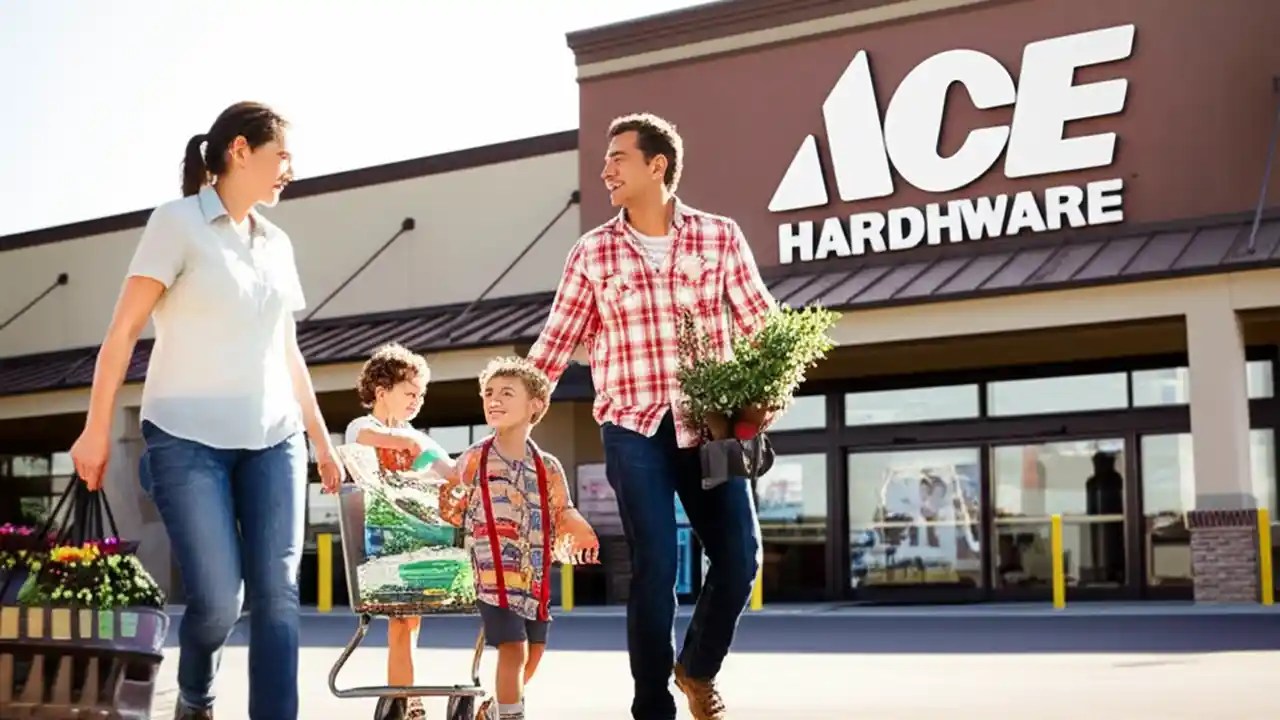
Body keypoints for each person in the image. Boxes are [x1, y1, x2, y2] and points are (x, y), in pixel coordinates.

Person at [67, 101, 343, 720]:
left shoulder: (276, 243)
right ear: (240, 151)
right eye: (282, 157)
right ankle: (196, 697)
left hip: (274, 438)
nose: (289, 172)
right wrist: (94, 430)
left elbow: (286, 348)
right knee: (220, 598)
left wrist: (321, 441)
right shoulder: (177, 223)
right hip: (186, 438)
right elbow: (122, 334)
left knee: (277, 595)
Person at [526, 113, 777, 720]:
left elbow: (763, 326)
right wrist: (512, 419)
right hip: (632, 424)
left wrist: (764, 394)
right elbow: (556, 343)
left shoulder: (719, 237)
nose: (606, 169)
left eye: (618, 158)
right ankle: (650, 704)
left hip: (710, 426)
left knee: (741, 560)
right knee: (656, 563)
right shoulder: (593, 252)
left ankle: (696, 668)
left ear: (656, 164)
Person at [438, 356, 600, 720]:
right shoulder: (475, 458)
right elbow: (450, 505)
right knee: (513, 646)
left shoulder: (548, 466)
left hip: (534, 578)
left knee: (534, 650)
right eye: (489, 393)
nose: (493, 400)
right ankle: (513, 715)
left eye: (506, 393)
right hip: (492, 576)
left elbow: (563, 510)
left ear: (535, 406)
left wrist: (578, 528)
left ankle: (495, 709)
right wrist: (453, 497)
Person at [345, 342, 454, 720]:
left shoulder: (416, 436)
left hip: (414, 536)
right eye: (410, 393)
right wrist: (414, 445)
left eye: (421, 394)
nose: (417, 401)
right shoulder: (363, 427)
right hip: (382, 540)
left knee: (410, 620)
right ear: (381, 392)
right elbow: (379, 444)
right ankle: (404, 697)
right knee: (403, 621)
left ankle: (405, 693)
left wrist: (459, 476)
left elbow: (447, 470)